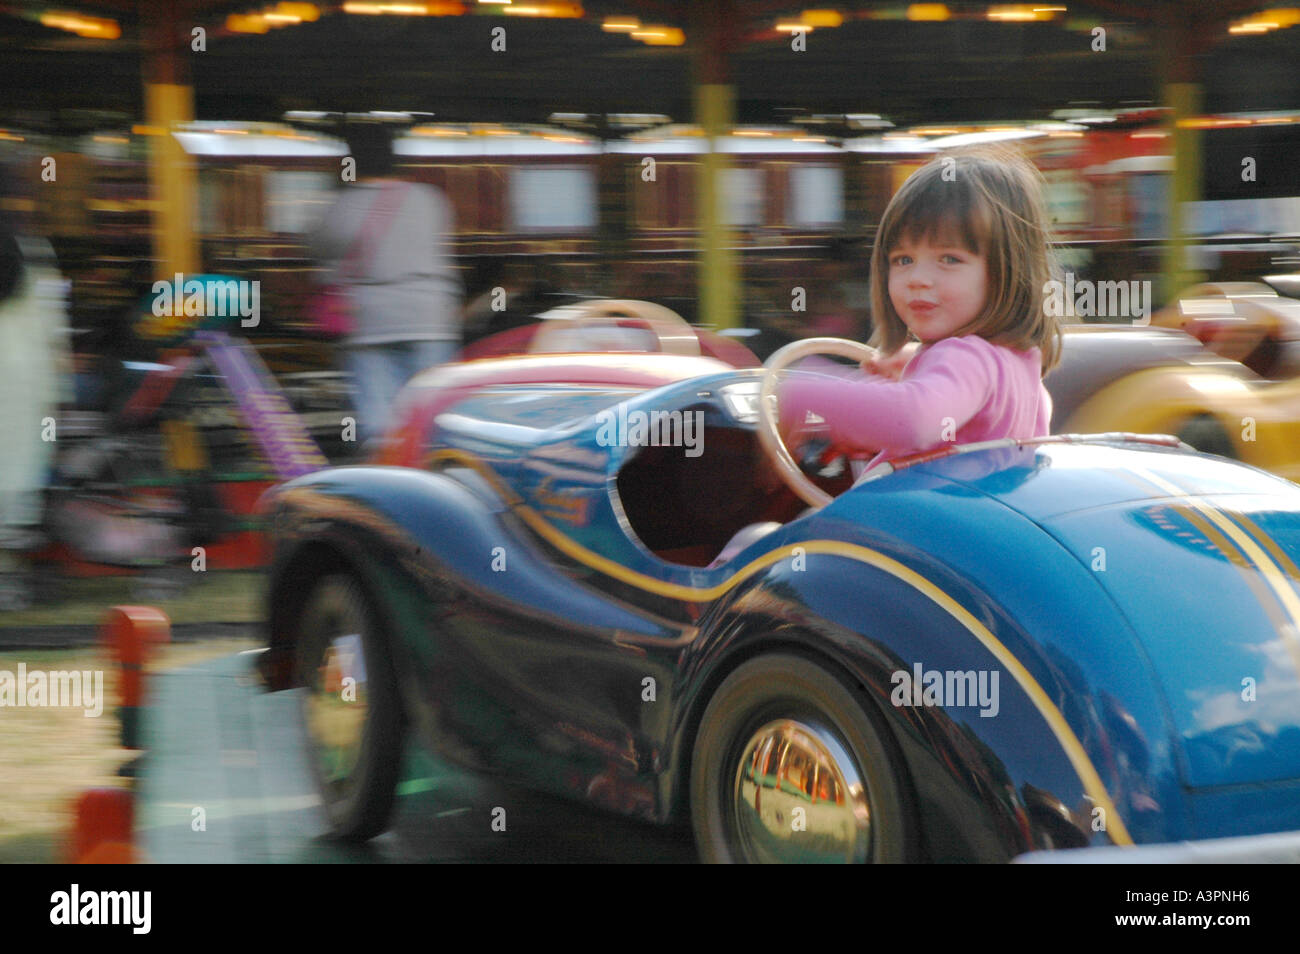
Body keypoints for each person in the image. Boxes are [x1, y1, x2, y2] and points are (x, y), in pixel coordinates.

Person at [779, 146, 1061, 470]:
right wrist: (915, 366)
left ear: (1008, 272)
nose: (917, 279)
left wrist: (805, 390)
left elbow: (914, 419)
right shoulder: (1020, 364)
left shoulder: (966, 358)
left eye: (949, 259)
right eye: (903, 260)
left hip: (921, 518)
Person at [308, 122, 461, 449]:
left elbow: (316, 247)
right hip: (429, 318)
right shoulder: (429, 199)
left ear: (350, 161)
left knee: (381, 426)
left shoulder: (341, 206)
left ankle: (389, 484)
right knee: (432, 417)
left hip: (370, 321)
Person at [0, 218, 71, 607]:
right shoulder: (34, 251)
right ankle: (9, 578)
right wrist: (61, 389)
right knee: (19, 477)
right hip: (27, 382)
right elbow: (55, 328)